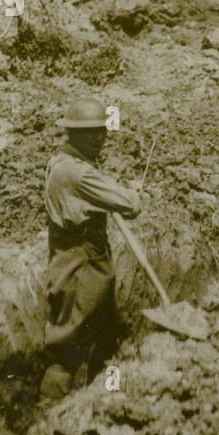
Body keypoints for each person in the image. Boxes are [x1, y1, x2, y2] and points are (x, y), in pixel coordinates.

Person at [42, 99, 141, 402]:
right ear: (71, 134)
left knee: (101, 335)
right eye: (89, 133)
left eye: (101, 132)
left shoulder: (65, 164)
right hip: (80, 263)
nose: (98, 138)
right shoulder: (76, 173)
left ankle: (99, 401)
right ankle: (51, 414)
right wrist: (134, 193)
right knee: (69, 342)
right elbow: (130, 205)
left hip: (85, 257)